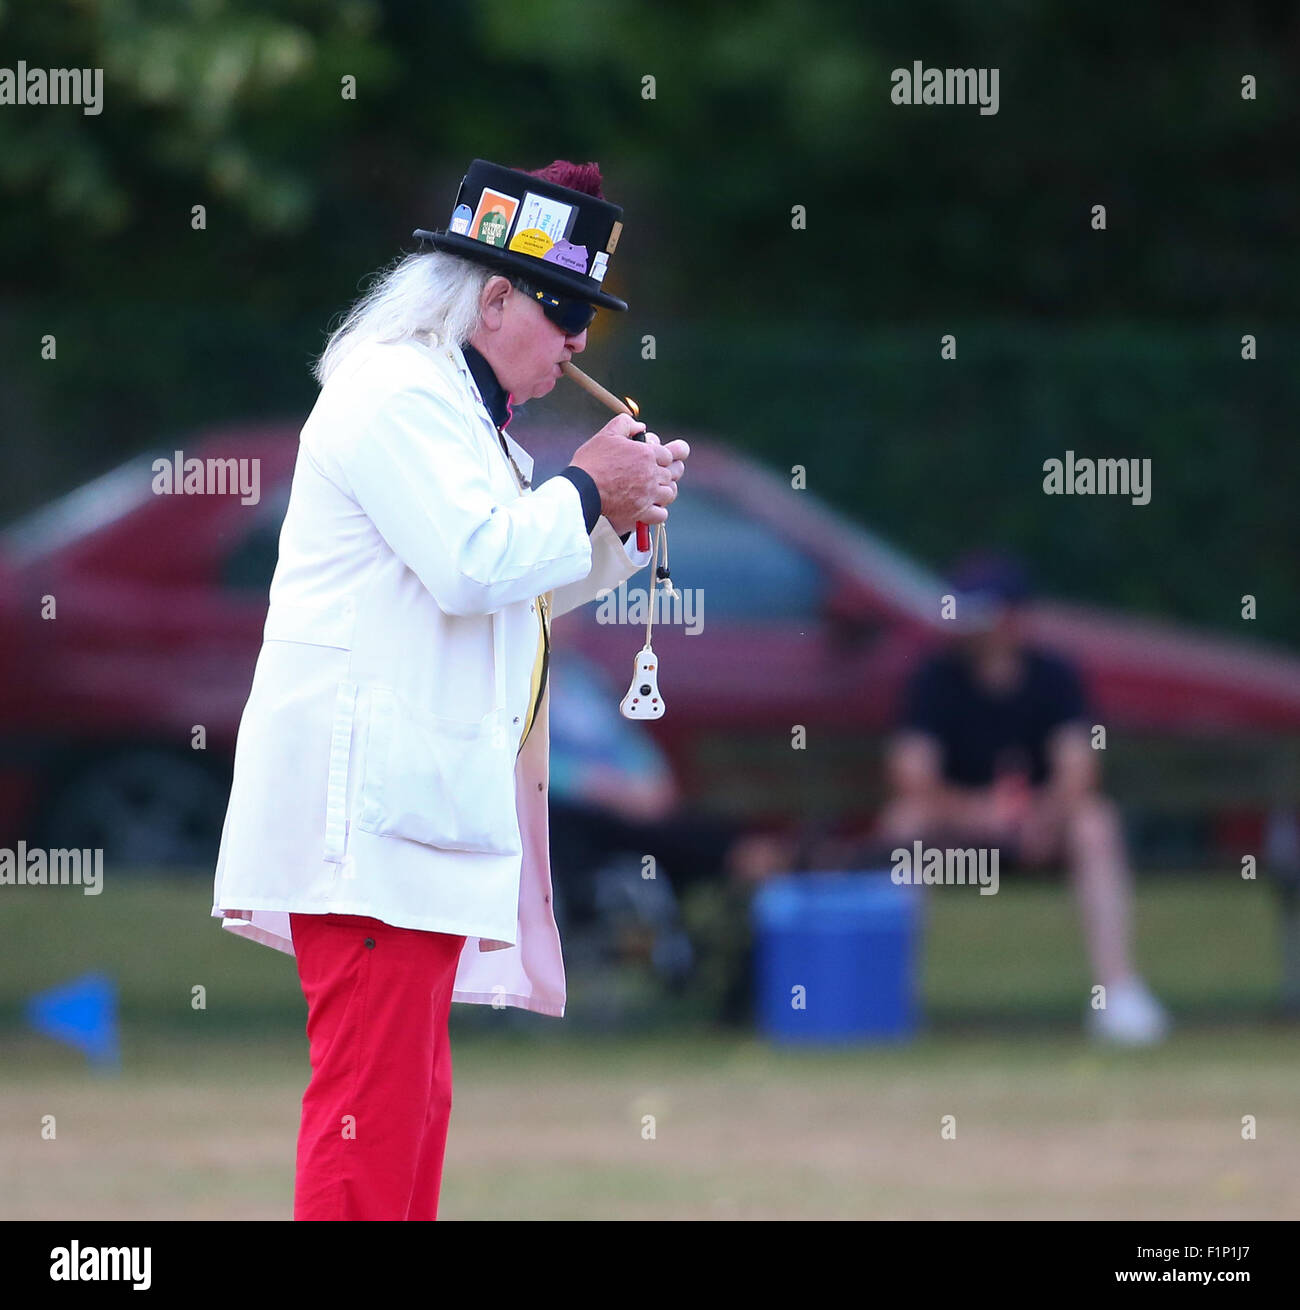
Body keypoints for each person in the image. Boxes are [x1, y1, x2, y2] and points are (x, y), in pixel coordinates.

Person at [209, 157, 691, 1219]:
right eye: (567, 313)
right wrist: (585, 485)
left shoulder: (464, 419)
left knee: (412, 1102)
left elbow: (513, 590)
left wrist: (615, 518)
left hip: (410, 815)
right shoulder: (392, 390)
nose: (578, 343)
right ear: (494, 297)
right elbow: (476, 559)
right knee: (371, 1108)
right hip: (364, 823)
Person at [872, 550, 1171, 1045]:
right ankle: (886, 997)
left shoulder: (1055, 676)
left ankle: (1118, 993)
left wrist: (1041, 818)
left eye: (983, 613)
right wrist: (975, 813)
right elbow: (910, 776)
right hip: (958, 838)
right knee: (902, 826)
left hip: (1040, 835)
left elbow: (1079, 771)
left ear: (1015, 619)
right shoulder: (933, 679)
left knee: (1095, 823)